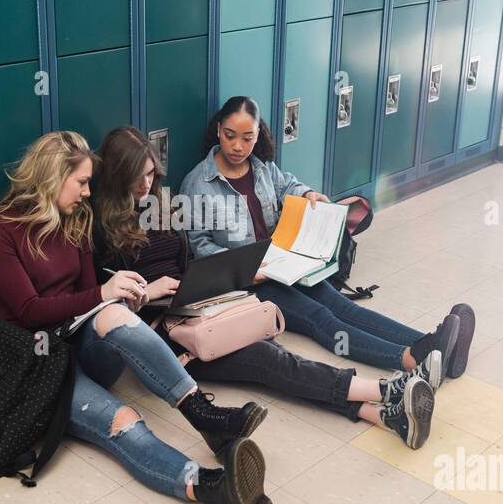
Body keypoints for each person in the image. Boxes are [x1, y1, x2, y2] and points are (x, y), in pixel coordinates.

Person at [0, 131, 273, 504]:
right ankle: (213, 489)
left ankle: (204, 415)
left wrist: (124, 298)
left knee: (114, 314)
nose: (86, 193)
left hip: (78, 344)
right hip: (36, 365)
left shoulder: (76, 218)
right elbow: (28, 312)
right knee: (124, 420)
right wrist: (101, 293)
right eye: (80, 183)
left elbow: (84, 298)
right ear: (50, 177)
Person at [92, 126, 435, 447]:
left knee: (274, 358)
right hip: (165, 334)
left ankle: (382, 416)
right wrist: (148, 291)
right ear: (115, 174)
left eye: (150, 174)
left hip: (197, 303)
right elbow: (102, 307)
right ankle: (386, 390)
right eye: (136, 177)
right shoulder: (99, 228)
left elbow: (185, 261)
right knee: (271, 361)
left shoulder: (161, 205)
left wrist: (209, 278)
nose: (144, 184)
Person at [179, 96, 476, 389]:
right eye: (230, 136)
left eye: (248, 138)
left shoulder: (262, 168)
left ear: (258, 136)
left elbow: (289, 185)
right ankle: (411, 360)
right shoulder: (198, 183)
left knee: (345, 308)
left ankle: (433, 345)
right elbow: (199, 246)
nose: (238, 147)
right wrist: (245, 269)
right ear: (219, 130)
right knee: (320, 319)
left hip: (283, 262)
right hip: (248, 281)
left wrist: (308, 194)